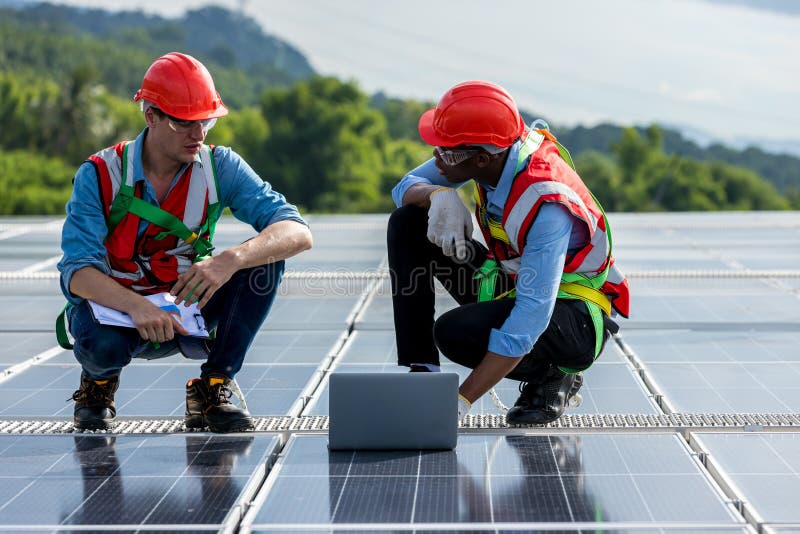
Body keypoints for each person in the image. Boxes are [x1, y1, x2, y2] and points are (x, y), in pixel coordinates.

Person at [57, 52, 312, 432]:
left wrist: (230, 259)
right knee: (102, 347)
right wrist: (137, 306)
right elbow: (77, 272)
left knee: (263, 260)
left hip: (187, 306)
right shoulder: (100, 174)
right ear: (151, 116)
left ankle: (213, 386)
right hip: (118, 310)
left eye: (206, 121)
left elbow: (297, 231)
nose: (199, 134)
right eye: (185, 123)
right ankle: (98, 384)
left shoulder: (220, 166)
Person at [387, 80, 629, 425]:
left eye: (446, 152)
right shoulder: (490, 153)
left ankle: (554, 373)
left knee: (455, 333)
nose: (436, 161)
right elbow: (404, 187)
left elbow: (531, 315)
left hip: (572, 314)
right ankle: (421, 372)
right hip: (514, 281)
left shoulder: (547, 203)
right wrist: (438, 197)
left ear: (482, 158)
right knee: (408, 221)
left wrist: (459, 401)